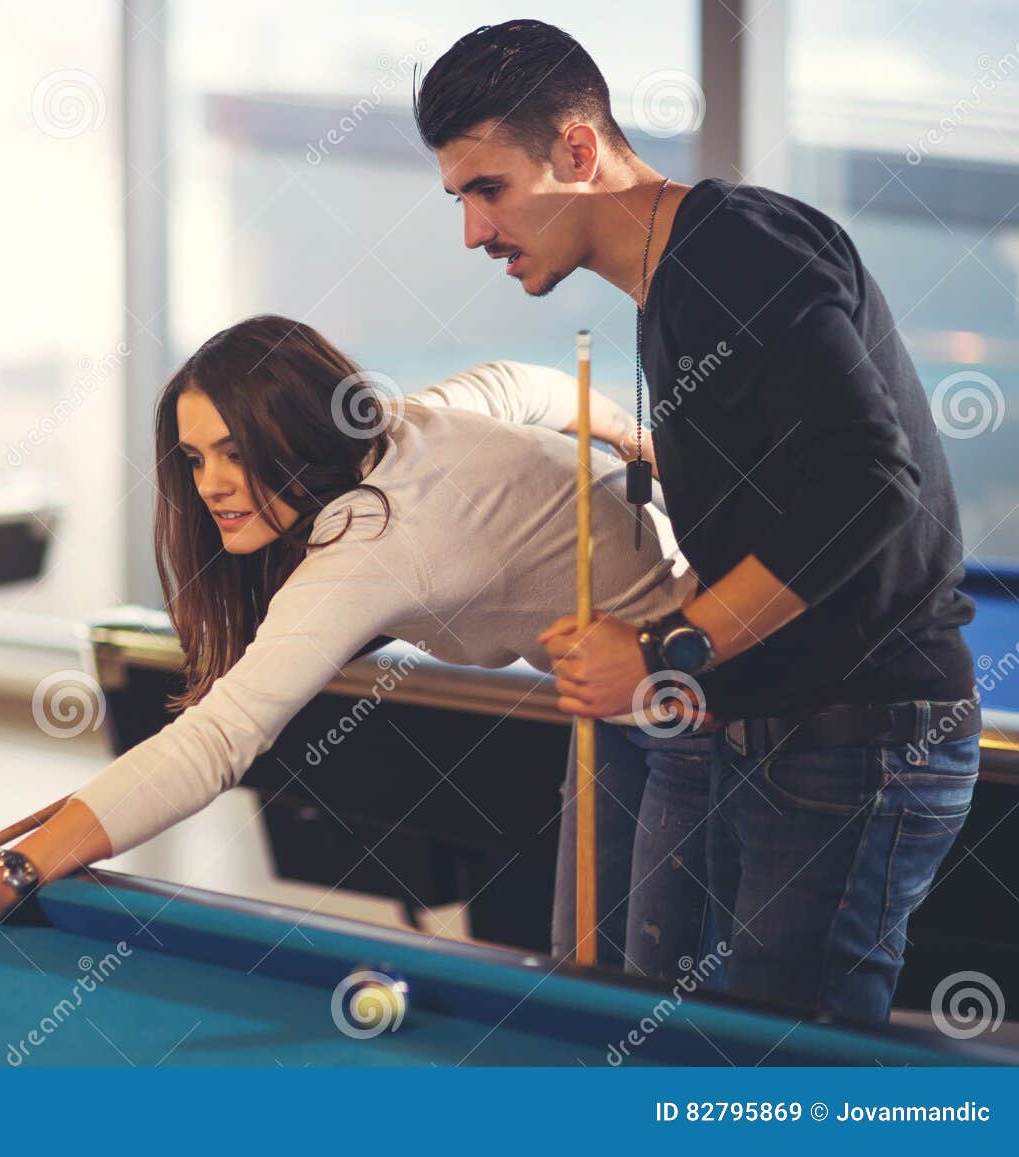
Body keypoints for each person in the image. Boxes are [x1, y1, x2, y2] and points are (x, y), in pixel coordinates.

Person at [413, 19, 980, 1023]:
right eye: (458, 198)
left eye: (488, 189)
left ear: (577, 151)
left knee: (773, 1085)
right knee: (695, 1061)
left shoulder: (735, 250)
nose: (472, 232)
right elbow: (788, 488)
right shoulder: (677, 278)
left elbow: (866, 481)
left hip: (858, 737)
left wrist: (666, 648)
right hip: (769, 728)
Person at [0, 314, 710, 977]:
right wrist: (627, 435)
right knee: (587, 974)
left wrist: (12, 873)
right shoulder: (398, 426)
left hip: (697, 691)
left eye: (235, 453)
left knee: (645, 996)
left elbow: (213, 741)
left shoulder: (372, 541)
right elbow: (525, 385)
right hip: (613, 700)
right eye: (196, 458)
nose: (211, 485)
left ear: (299, 432)